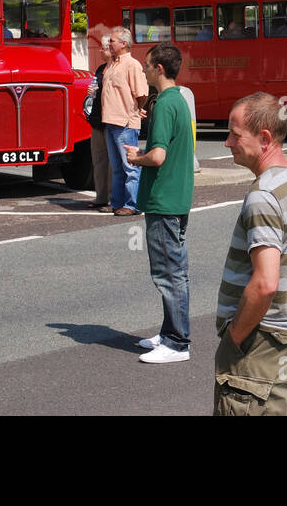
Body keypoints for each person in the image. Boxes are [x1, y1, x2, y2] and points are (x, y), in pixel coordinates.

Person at [215, 93, 287, 415]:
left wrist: (234, 338)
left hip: (261, 347)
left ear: (264, 139)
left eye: (235, 135)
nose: (227, 143)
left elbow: (265, 283)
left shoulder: (263, 196)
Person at [125, 43, 195, 364]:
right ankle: (169, 333)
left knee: (168, 273)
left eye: (147, 65)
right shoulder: (176, 99)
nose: (144, 70)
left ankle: (178, 343)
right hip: (176, 196)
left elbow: (158, 155)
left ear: (160, 69)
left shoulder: (166, 104)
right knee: (174, 269)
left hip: (163, 199)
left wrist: (135, 157)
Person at [102, 26, 149, 216]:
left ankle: (131, 204)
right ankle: (117, 202)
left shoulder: (132, 65)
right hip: (111, 121)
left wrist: (136, 110)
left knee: (129, 166)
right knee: (116, 167)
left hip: (125, 122)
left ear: (124, 43)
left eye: (112, 41)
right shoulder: (113, 64)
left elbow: (141, 93)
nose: (109, 44)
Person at [82, 36, 115, 211]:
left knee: (112, 163)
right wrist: (91, 91)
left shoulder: (117, 68)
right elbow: (95, 92)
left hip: (111, 121)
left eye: (103, 48)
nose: (101, 51)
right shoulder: (100, 69)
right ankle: (101, 196)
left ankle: (112, 198)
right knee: (99, 160)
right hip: (97, 120)